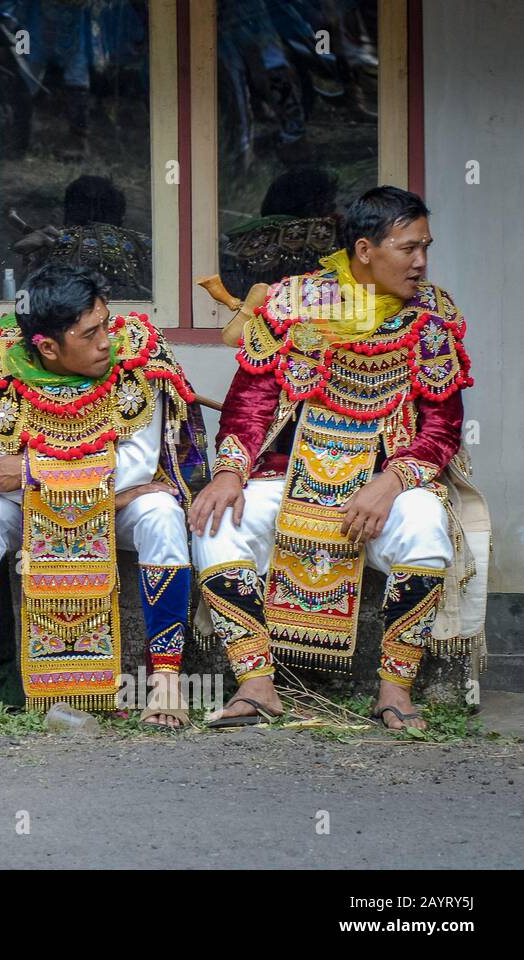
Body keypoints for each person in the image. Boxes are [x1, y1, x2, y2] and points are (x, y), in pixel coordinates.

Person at [190, 186, 485, 731]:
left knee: (425, 527)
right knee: (214, 524)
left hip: (388, 486)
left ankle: (394, 693)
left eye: (426, 247)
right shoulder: (292, 304)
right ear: (366, 249)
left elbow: (442, 428)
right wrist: (230, 472)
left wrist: (392, 481)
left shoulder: (433, 317)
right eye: (408, 248)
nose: (421, 262)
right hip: (290, 479)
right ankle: (256, 689)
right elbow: (248, 404)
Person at [0, 261, 207, 729]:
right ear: (46, 347)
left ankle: (166, 681)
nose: (106, 341)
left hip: (108, 512)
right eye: (88, 334)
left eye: (104, 323)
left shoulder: (136, 359)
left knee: (160, 511)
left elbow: (136, 466)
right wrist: (83, 484)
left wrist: (30, 470)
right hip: (36, 513)